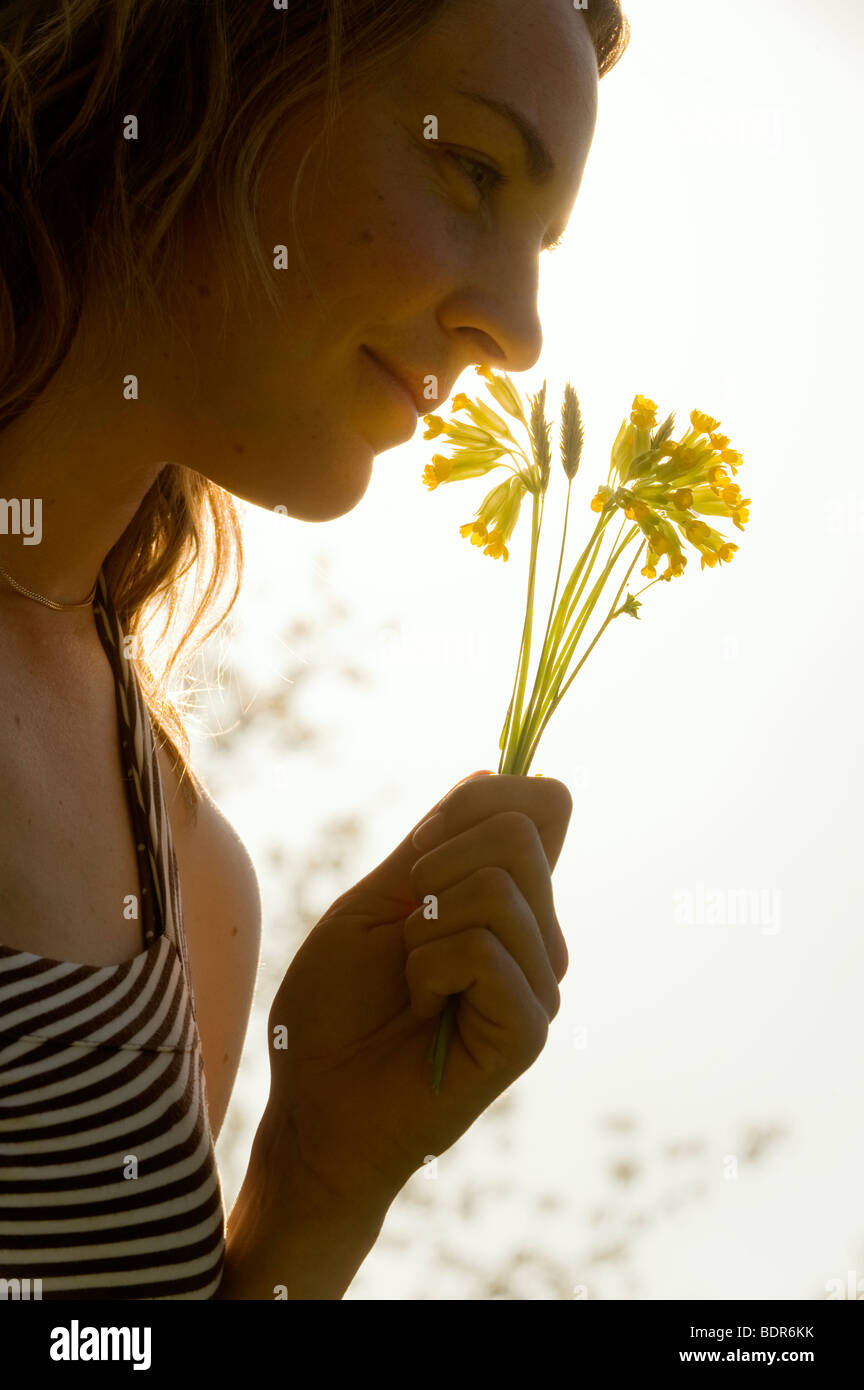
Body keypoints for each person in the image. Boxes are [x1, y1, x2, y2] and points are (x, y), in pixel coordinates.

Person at [0, 0, 629, 1299]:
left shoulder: (191, 883)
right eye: (474, 169)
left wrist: (317, 1188)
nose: (518, 329)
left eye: (543, 238)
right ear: (227, 56)